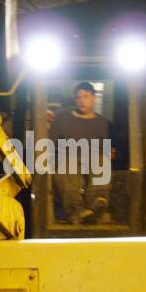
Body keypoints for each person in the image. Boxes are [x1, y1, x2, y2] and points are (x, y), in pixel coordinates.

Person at [50, 81, 112, 224]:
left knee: (101, 160)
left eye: (86, 96)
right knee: (68, 163)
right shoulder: (62, 119)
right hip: (68, 159)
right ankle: (75, 208)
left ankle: (98, 201)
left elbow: (107, 149)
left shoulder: (103, 123)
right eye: (79, 97)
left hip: (92, 160)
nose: (82, 100)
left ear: (94, 98)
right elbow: (50, 143)